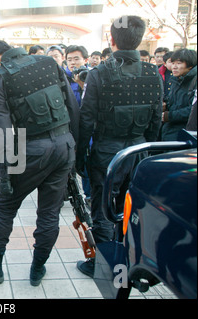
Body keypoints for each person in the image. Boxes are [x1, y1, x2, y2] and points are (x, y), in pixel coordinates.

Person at [0, 39, 79, 286]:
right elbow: (72, 107)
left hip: (30, 151)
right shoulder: (48, 62)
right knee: (49, 213)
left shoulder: (0, 77)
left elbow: (1, 130)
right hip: (63, 145)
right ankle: (37, 270)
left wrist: (5, 177)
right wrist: (74, 151)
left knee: (4, 207)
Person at [75, 16, 163, 277]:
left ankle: (101, 266)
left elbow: (86, 118)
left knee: (103, 208)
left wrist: (80, 157)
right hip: (138, 152)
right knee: (130, 207)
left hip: (106, 154)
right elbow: (156, 119)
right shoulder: (152, 73)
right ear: (139, 38)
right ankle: (127, 259)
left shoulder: (99, 73)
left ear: (111, 39)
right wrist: (148, 151)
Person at [161, 49, 197, 141]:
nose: (174, 67)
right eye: (173, 63)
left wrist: (169, 116)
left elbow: (193, 111)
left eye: (179, 63)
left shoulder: (194, 82)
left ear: (190, 65)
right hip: (170, 130)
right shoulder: (176, 80)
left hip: (186, 134)